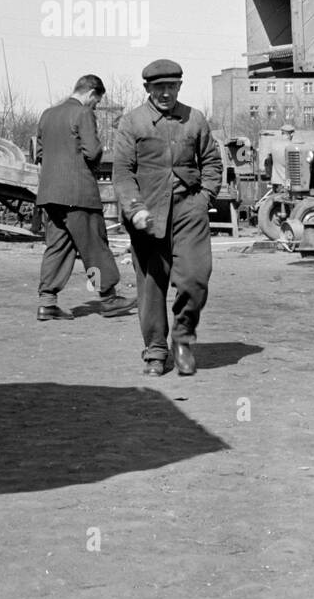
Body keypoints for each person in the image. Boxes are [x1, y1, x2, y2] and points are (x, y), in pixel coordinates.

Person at [112, 59, 222, 376]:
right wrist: (135, 209)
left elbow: (213, 163)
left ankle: (183, 341)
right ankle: (156, 351)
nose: (165, 93)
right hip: (147, 213)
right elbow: (122, 172)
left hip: (189, 208)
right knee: (152, 286)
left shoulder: (194, 119)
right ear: (147, 89)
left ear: (179, 87)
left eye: (171, 87)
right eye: (159, 87)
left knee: (195, 279)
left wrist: (205, 198)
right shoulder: (132, 122)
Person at [34, 74, 136, 321]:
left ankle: (47, 303)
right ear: (91, 93)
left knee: (57, 247)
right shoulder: (83, 113)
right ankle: (109, 299)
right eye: (96, 101)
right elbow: (93, 151)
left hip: (49, 195)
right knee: (94, 247)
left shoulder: (47, 114)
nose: (95, 106)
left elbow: (38, 153)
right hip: (78, 194)